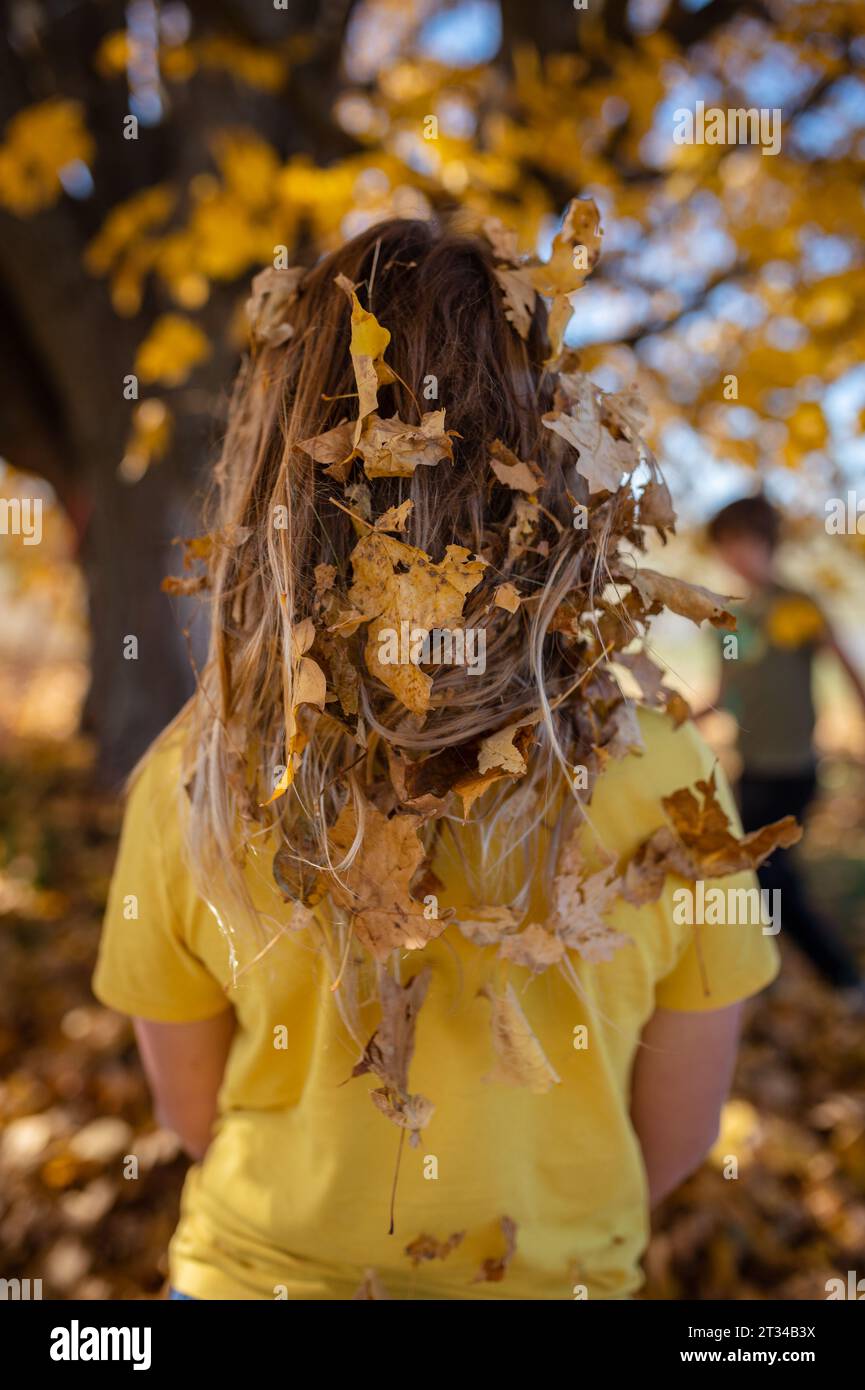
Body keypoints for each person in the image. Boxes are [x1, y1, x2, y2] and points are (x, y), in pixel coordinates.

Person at [93, 217, 780, 1302]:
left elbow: (190, 1116)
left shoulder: (198, 770)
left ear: (274, 463)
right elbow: (681, 1137)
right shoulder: (670, 767)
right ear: (545, 448)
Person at [706, 494, 865, 998]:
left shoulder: (797, 605)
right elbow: (724, 694)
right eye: (725, 545)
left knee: (766, 874)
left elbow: (844, 663)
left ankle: (841, 979)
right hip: (749, 767)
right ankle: (767, 972)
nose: (735, 555)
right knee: (752, 872)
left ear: (767, 543)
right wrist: (672, 723)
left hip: (792, 768)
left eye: (743, 542)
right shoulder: (728, 618)